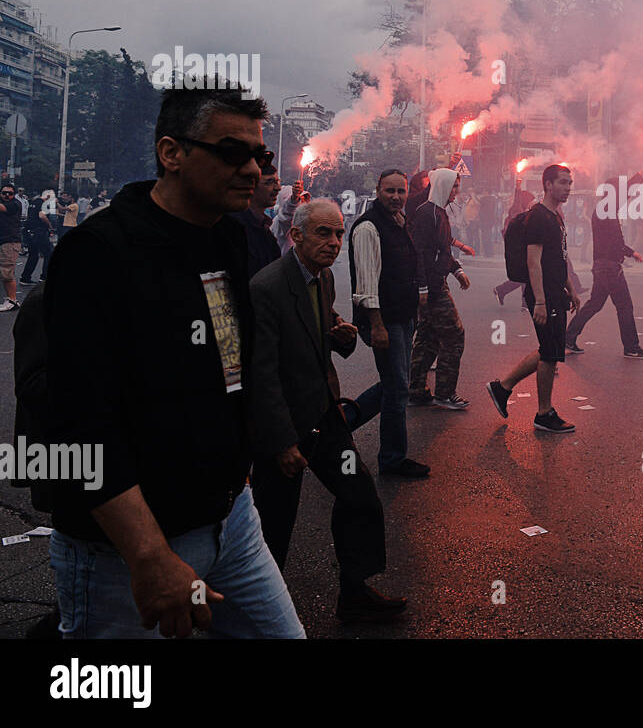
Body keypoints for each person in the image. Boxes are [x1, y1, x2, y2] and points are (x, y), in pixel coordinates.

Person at [43, 83, 304, 638]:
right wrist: (148, 555)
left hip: (232, 521)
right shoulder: (99, 253)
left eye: (260, 157)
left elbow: (231, 366)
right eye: (232, 153)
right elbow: (78, 423)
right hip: (125, 549)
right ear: (172, 153)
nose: (253, 171)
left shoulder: (230, 238)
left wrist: (242, 466)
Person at [248, 199, 405, 622]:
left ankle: (354, 591)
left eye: (338, 233)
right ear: (296, 235)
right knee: (273, 526)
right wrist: (281, 442)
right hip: (285, 428)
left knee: (359, 496)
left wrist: (343, 335)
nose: (334, 242)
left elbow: (322, 342)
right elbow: (261, 375)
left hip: (324, 419)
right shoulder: (267, 288)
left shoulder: (324, 280)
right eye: (323, 233)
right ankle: (256, 614)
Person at [485, 164, 581, 433]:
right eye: (563, 182)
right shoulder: (539, 217)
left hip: (554, 292)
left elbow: (559, 258)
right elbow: (534, 261)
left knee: (548, 349)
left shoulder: (556, 216)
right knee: (550, 354)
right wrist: (539, 300)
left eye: (570, 183)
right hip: (544, 295)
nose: (568, 187)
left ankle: (501, 387)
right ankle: (543, 414)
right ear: (548, 185)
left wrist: (571, 289)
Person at [348, 170, 429, 478]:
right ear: (378, 190)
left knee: (394, 385)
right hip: (385, 319)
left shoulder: (399, 222)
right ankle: (393, 459)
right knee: (396, 390)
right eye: (390, 191)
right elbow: (366, 286)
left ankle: (339, 423)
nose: (396, 196)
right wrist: (377, 325)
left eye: (401, 191)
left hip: (403, 316)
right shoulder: (369, 227)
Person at [565, 156, 643, 359]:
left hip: (602, 265)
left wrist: (631, 252)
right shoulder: (606, 211)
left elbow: (614, 239)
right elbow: (615, 240)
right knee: (624, 306)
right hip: (608, 267)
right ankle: (631, 347)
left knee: (595, 304)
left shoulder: (603, 210)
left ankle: (568, 337)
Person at [409, 169, 473, 410]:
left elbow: (442, 248)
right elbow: (420, 253)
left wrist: (457, 271)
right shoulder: (428, 214)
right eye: (454, 186)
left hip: (435, 284)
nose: (457, 191)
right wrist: (423, 287)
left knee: (428, 337)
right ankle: (445, 393)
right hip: (433, 287)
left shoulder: (438, 213)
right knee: (455, 335)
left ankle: (416, 389)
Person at [232, 161, 282, 276]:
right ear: (250, 186)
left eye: (277, 181)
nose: (278, 188)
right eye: (270, 182)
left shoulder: (265, 231)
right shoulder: (235, 229)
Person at [494, 186, 536, 305]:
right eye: (530, 201)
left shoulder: (520, 212)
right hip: (518, 250)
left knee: (525, 275)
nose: (531, 204)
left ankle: (503, 291)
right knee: (525, 275)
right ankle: (504, 291)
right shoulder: (517, 212)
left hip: (521, 249)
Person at [19, 192, 54, 286]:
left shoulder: (33, 203)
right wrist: (50, 226)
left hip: (30, 231)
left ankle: (25, 278)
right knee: (49, 253)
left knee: (33, 255)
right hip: (40, 231)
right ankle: (44, 277)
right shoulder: (42, 203)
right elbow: (42, 216)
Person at [0, 183, 22, 310]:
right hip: (4, 241)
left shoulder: (15, 204)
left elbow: (2, 208)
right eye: (4, 193)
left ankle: (12, 301)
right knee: (4, 273)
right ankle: (10, 299)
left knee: (7, 272)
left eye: (10, 193)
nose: (7, 195)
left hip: (10, 242)